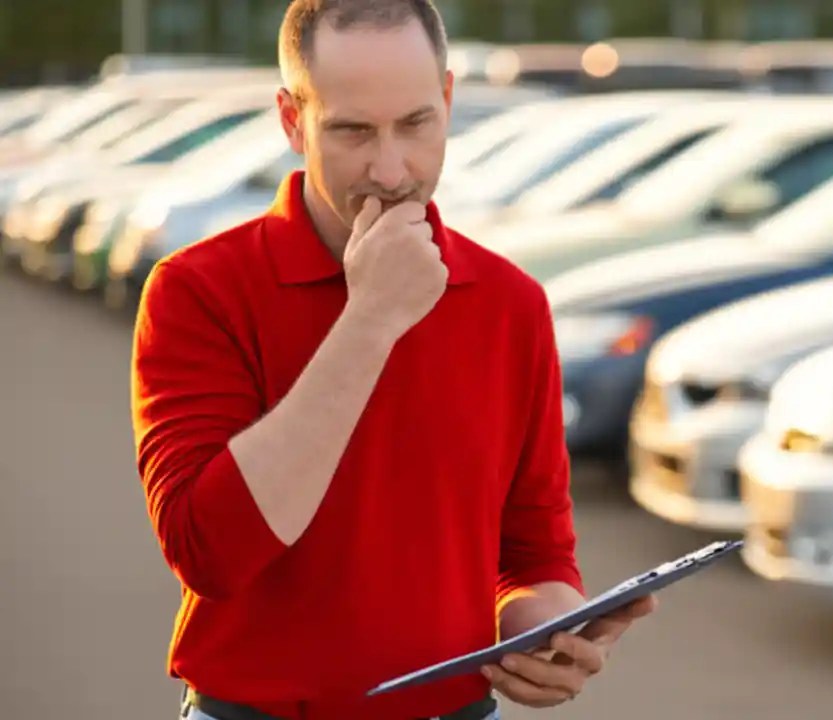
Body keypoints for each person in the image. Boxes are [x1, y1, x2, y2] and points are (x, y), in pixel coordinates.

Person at [128, 1, 655, 718]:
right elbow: (211, 554)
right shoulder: (198, 290)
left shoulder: (510, 301)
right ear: (292, 121)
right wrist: (370, 318)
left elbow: (534, 553)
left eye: (415, 124)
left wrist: (547, 636)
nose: (390, 168)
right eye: (352, 131)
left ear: (445, 99)